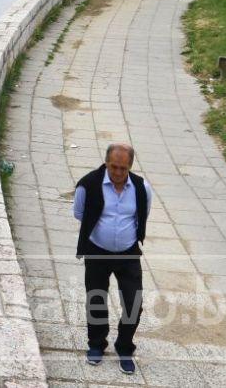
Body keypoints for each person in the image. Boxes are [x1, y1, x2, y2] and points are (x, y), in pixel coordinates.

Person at [73, 143, 152, 375]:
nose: (117, 173)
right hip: (97, 251)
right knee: (96, 299)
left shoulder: (141, 187)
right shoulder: (88, 184)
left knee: (134, 303)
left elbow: (143, 214)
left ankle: (125, 347)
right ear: (106, 162)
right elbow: (79, 213)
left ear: (130, 166)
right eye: (113, 167)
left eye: (123, 168)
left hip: (128, 253)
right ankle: (96, 344)